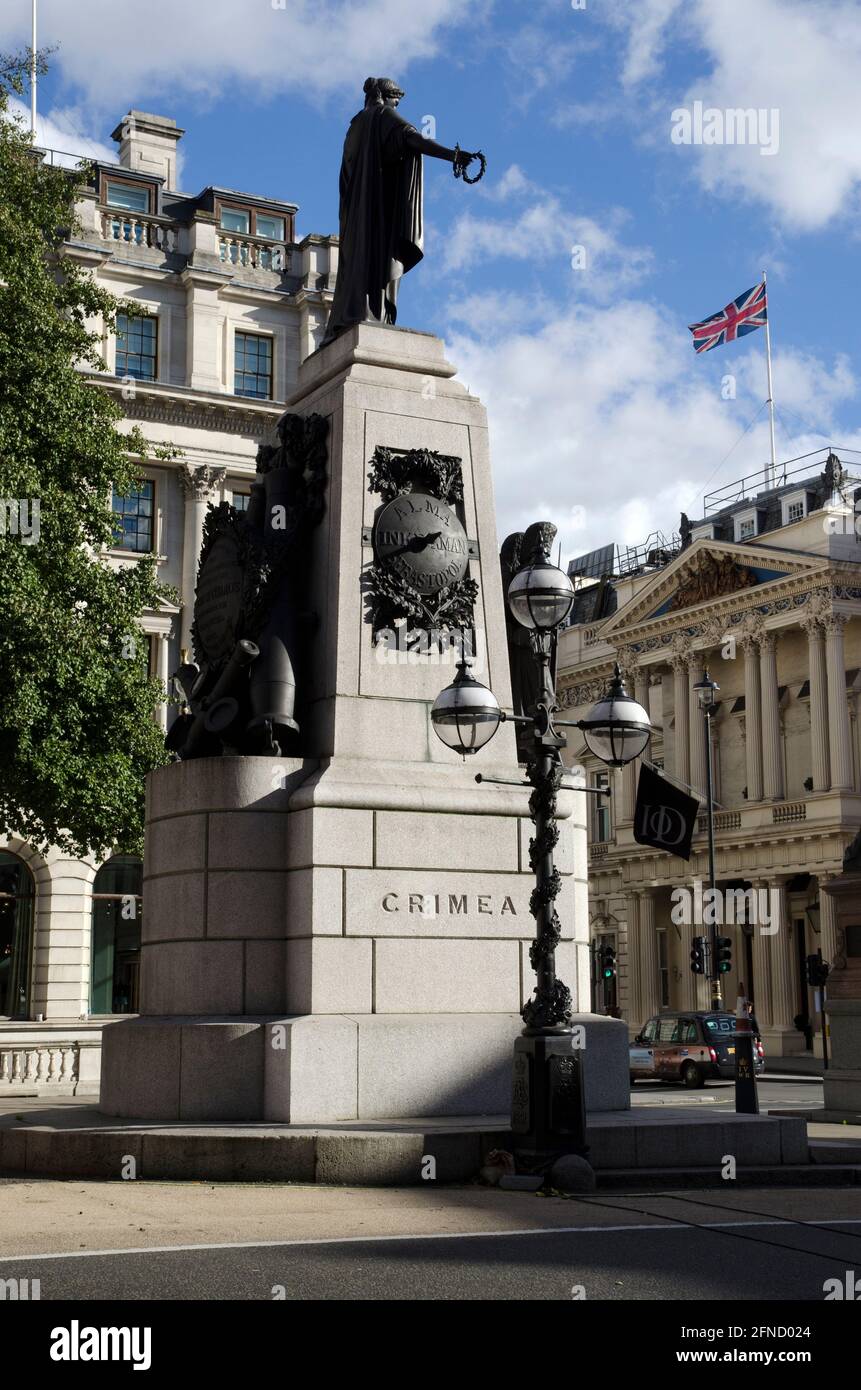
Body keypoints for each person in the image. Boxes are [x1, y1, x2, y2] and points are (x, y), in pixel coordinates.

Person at [323, 77, 480, 344]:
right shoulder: (382, 115)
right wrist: (452, 156)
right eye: (396, 101)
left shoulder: (354, 127)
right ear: (386, 97)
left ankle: (357, 315)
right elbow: (413, 139)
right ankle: (374, 314)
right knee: (380, 266)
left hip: (353, 220)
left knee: (358, 269)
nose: (397, 107)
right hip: (377, 215)